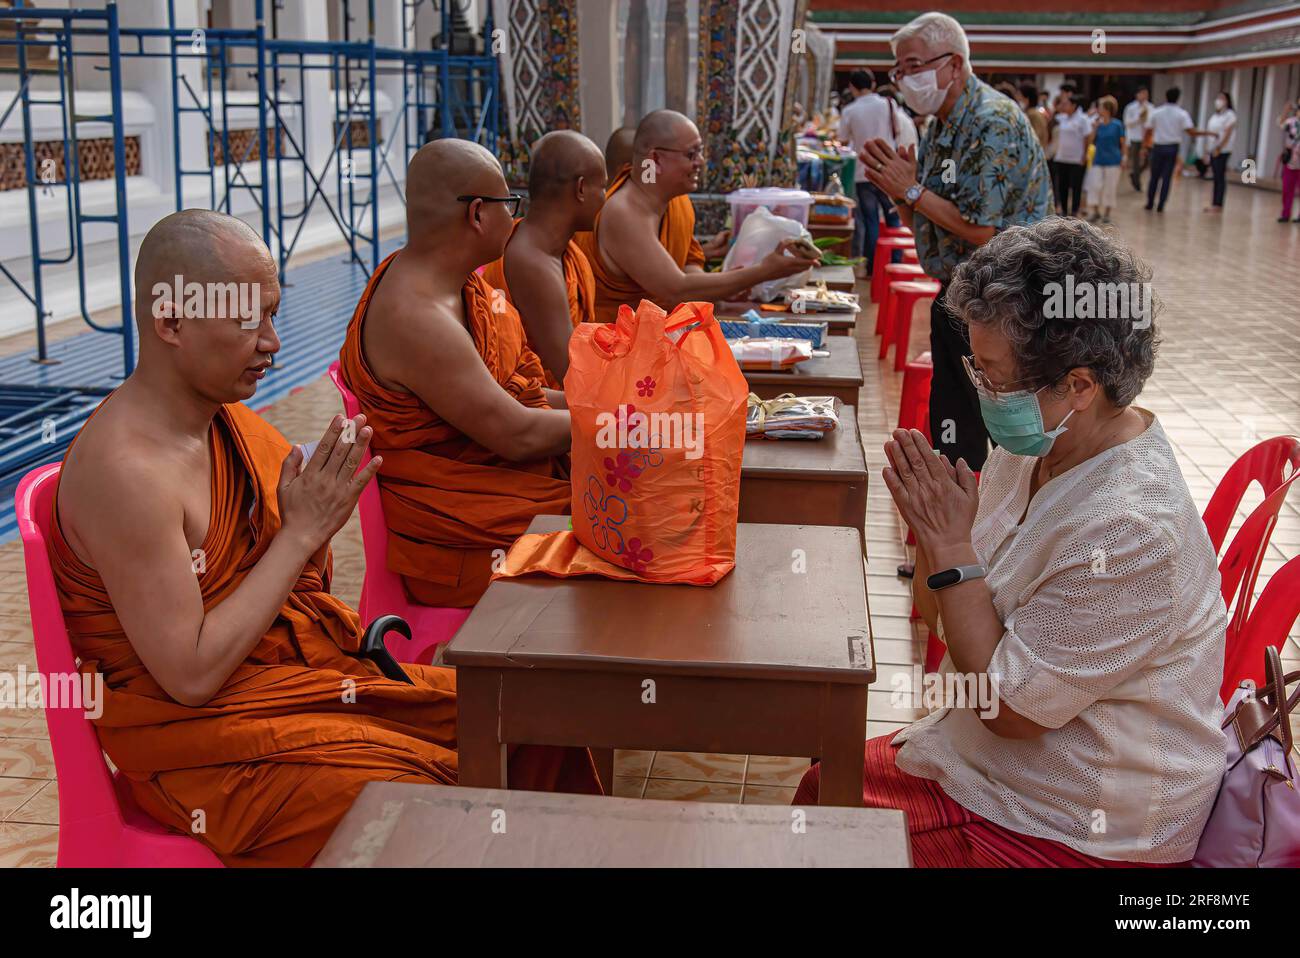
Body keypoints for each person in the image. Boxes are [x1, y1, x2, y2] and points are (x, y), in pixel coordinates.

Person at [49, 209, 600, 866]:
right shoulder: (128, 475)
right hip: (211, 749)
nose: (274, 343)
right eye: (248, 320)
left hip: (293, 687)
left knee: (537, 723)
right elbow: (191, 676)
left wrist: (301, 531)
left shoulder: (223, 426)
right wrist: (301, 531)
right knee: (430, 810)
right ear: (171, 322)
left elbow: (294, 598)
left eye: (274, 316)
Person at [795, 219, 1227, 868]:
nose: (981, 391)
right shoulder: (1039, 449)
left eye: (993, 375)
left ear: (1080, 387)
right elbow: (949, 607)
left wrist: (948, 547)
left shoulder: (1132, 530)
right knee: (820, 785)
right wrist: (939, 545)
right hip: (997, 752)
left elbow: (1008, 707)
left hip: (1079, 824)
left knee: (833, 833)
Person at [338, 139, 571, 608]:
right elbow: (517, 433)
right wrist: (623, 422)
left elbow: (519, 396)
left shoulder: (458, 285)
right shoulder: (417, 317)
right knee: (625, 527)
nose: (515, 218)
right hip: (462, 538)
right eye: (510, 205)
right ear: (479, 214)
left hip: (498, 493)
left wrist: (618, 407)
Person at [860, 12, 1052, 472]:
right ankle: (962, 525)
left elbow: (981, 228)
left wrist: (911, 190)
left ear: (955, 64)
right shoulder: (940, 125)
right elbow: (929, 214)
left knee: (1003, 427)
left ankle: (1004, 528)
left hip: (1005, 298)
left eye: (913, 66)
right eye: (899, 71)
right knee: (954, 420)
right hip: (959, 293)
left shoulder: (992, 121)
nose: (906, 79)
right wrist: (900, 192)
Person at [574, 109, 818, 323]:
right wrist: (765, 271)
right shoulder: (623, 213)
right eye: (691, 154)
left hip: (659, 336)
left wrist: (730, 284)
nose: (700, 162)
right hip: (611, 347)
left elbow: (689, 269)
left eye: (700, 152)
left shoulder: (676, 201)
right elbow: (675, 289)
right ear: (656, 159)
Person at [481, 131, 605, 386]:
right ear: (581, 188)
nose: (605, 198)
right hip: (539, 407)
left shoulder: (565, 251)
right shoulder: (532, 263)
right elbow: (572, 373)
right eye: (602, 186)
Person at [838, 69, 907, 273]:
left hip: (864, 171)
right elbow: (898, 131)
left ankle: (872, 267)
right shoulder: (889, 104)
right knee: (893, 216)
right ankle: (895, 262)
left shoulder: (850, 110)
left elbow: (842, 139)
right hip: (888, 169)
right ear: (874, 84)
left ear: (852, 87)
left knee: (870, 221)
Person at [1144, 87, 1208, 212]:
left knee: (1154, 176)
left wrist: (1145, 146)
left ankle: (1150, 202)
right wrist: (1206, 133)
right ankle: (1161, 204)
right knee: (1167, 177)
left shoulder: (1157, 112)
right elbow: (1191, 132)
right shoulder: (1181, 114)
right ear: (1178, 98)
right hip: (1172, 148)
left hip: (1158, 146)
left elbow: (1148, 130)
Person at [1086, 96, 1125, 223]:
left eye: (1101, 107)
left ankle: (1107, 213)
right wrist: (1094, 128)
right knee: (1095, 185)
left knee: (1110, 186)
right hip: (1098, 159)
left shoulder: (1117, 125)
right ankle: (1095, 211)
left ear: (1107, 109)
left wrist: (1124, 157)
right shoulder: (1097, 124)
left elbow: (1123, 143)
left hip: (1113, 160)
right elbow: (1091, 141)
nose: (1098, 109)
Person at [1052, 94, 1092, 217]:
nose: (1063, 106)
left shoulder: (1082, 119)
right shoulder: (1061, 118)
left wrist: (1084, 154)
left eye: (1066, 104)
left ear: (1074, 105)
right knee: (1062, 185)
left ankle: (1075, 210)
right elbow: (1052, 116)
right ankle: (1063, 209)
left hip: (1076, 158)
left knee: (1076, 186)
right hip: (1062, 157)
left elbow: (1088, 137)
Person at [1200, 91, 1237, 214]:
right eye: (1218, 98)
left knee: (1219, 176)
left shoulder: (1230, 115)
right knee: (1215, 176)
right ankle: (1214, 202)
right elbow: (1210, 133)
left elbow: (1227, 134)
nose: (1219, 100)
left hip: (1222, 150)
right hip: (1212, 148)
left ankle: (1218, 203)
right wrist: (1207, 150)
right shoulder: (1215, 116)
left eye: (1222, 98)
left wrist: (1219, 148)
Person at [1123, 87, 1151, 191]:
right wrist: (1139, 119)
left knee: (1147, 161)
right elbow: (1127, 123)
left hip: (1147, 138)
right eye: (1142, 94)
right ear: (1137, 95)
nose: (1144, 96)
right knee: (1135, 161)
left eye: (1146, 94)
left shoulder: (1151, 107)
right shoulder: (1130, 108)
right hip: (1135, 137)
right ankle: (1137, 183)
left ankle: (1135, 175)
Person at [1278, 105, 1300, 222]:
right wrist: (1286, 110)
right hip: (1290, 161)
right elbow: (1281, 124)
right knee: (1287, 189)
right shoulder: (1292, 122)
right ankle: (1285, 214)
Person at [1018, 81, 1049, 149]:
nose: (1018, 98)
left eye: (1020, 95)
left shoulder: (1033, 115)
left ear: (1027, 98)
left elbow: (1035, 136)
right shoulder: (1030, 113)